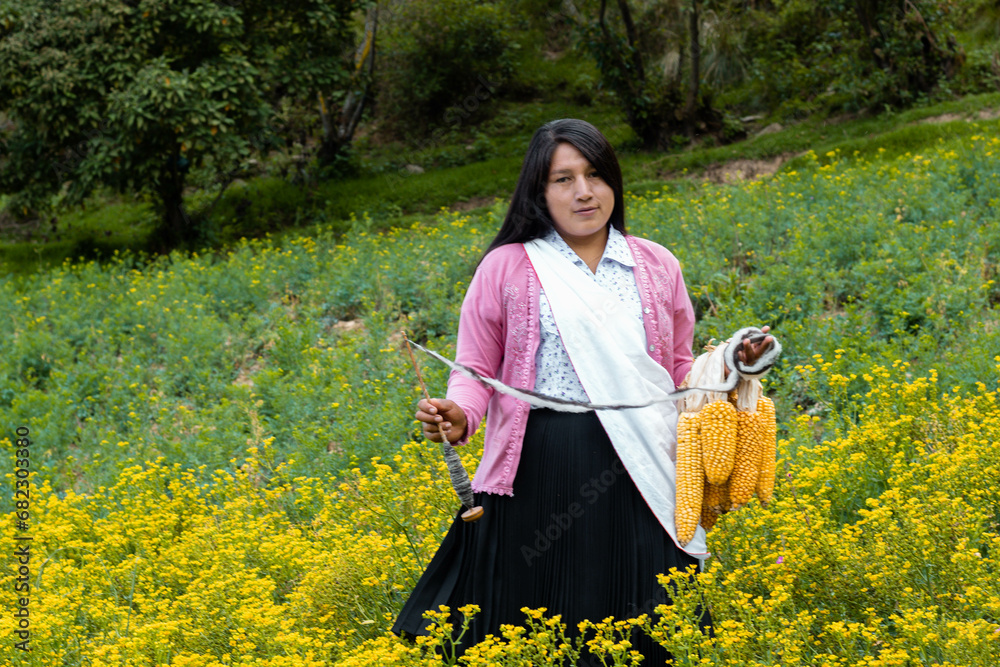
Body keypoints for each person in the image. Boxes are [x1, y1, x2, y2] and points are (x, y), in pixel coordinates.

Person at [392, 118, 773, 662]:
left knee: (651, 614)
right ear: (539, 192)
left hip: (639, 459)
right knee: (539, 619)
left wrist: (734, 361)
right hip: (540, 464)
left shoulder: (656, 264)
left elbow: (678, 369)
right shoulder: (507, 267)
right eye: (563, 179)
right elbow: (475, 368)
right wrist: (461, 415)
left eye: (595, 174)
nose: (584, 192)